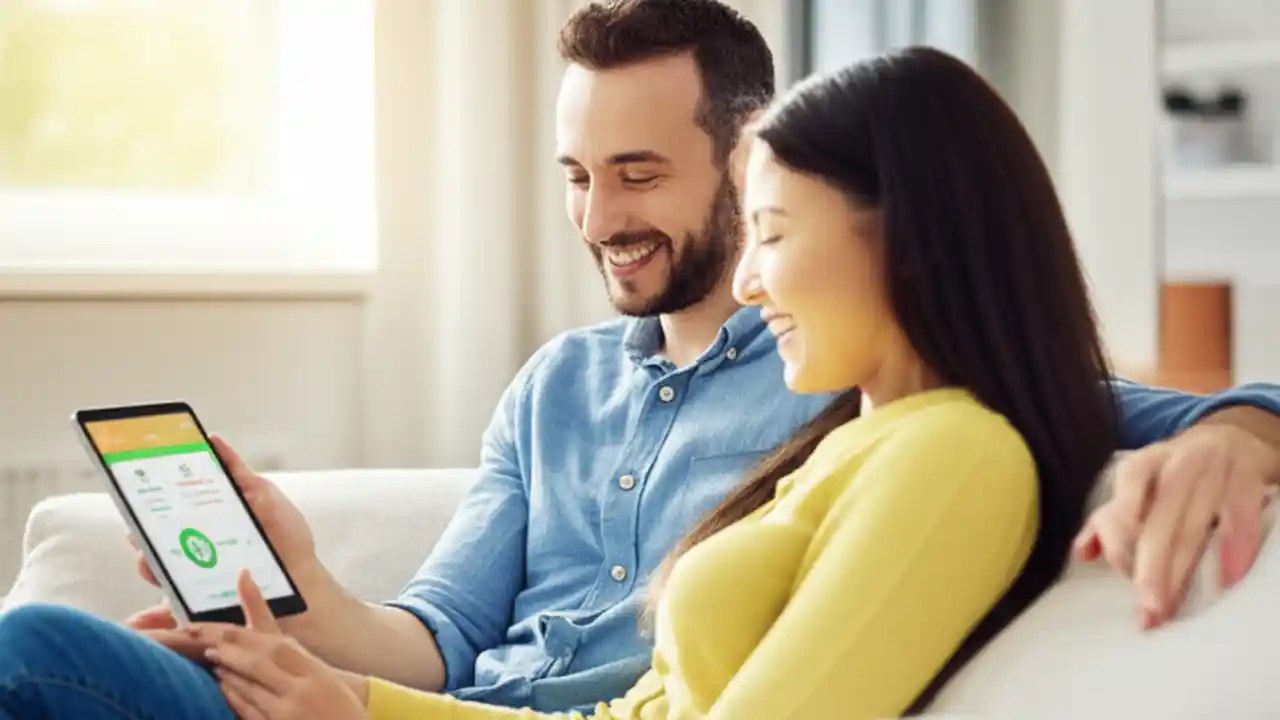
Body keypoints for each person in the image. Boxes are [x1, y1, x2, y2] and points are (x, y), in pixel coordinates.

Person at [0, 1, 1278, 718]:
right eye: (573, 175)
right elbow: (444, 633)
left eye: (637, 173)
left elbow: (1082, 390)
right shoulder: (555, 387)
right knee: (68, 652)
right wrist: (300, 603)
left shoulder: (877, 385)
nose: (597, 215)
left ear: (745, 159)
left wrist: (1233, 429)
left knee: (39, 658)